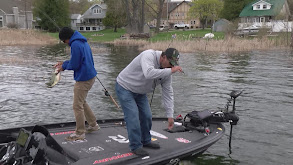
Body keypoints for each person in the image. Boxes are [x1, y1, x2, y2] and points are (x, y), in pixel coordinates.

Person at [115, 48, 183, 156]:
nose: (172, 66)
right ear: (163, 57)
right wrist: (171, 70)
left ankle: (146, 140)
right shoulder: (148, 55)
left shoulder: (167, 71)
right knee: (133, 116)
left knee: (147, 116)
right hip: (125, 87)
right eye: (171, 63)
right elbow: (149, 73)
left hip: (140, 92)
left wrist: (170, 116)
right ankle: (135, 146)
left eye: (174, 65)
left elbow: (168, 93)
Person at [54, 27, 100, 141]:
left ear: (67, 39)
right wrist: (64, 63)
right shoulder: (82, 42)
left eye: (64, 41)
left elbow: (75, 64)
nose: (65, 44)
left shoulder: (75, 45)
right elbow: (79, 60)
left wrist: (62, 67)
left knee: (77, 106)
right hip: (90, 77)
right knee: (82, 102)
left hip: (83, 79)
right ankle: (93, 125)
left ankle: (80, 133)